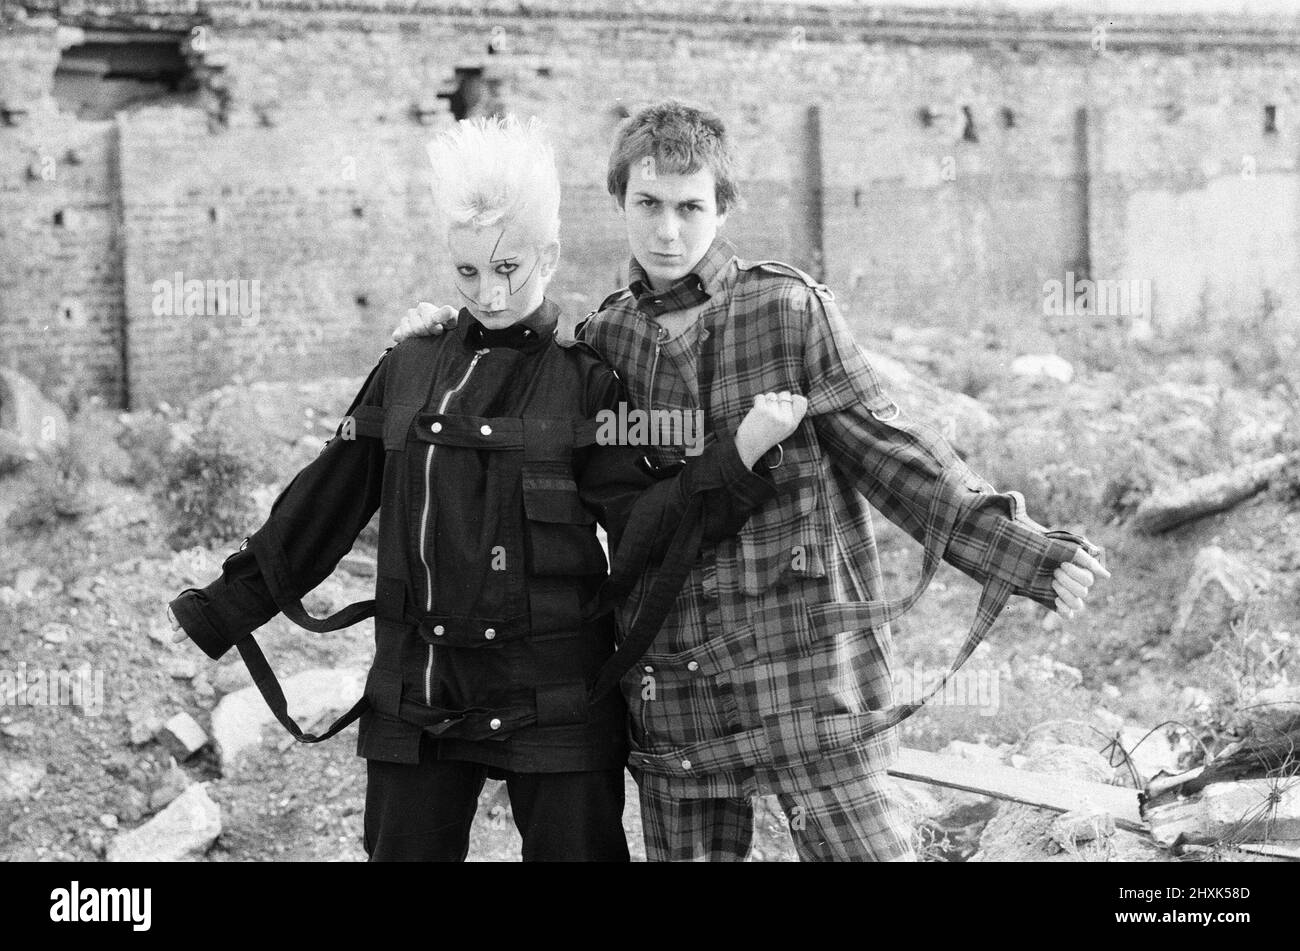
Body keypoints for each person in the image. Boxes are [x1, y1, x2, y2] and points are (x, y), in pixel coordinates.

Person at [393, 100, 1113, 862]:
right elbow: (513, 385)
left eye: (689, 207)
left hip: (806, 671)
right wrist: (446, 335)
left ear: (723, 207)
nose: (667, 231)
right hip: (677, 687)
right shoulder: (603, 341)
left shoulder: (787, 309)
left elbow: (893, 453)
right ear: (619, 202)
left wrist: (1022, 551)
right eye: (648, 205)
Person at [167, 114, 807, 862]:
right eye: (467, 272)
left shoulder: (588, 380)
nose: (490, 293)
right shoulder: (406, 365)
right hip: (418, 692)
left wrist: (737, 457)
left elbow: (645, 523)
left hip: (557, 698)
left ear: (550, 255)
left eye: (510, 269)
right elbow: (328, 495)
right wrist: (227, 604)